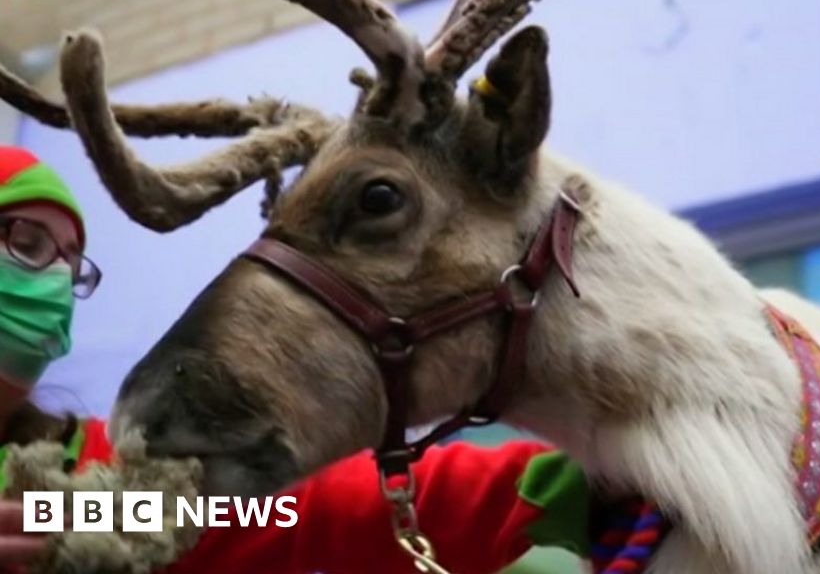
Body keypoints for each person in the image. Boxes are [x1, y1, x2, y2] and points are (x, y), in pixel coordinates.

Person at [0, 145, 660, 574]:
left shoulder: (79, 495)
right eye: (27, 243)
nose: (56, 281)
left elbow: (301, 506)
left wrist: (592, 475)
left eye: (70, 262)